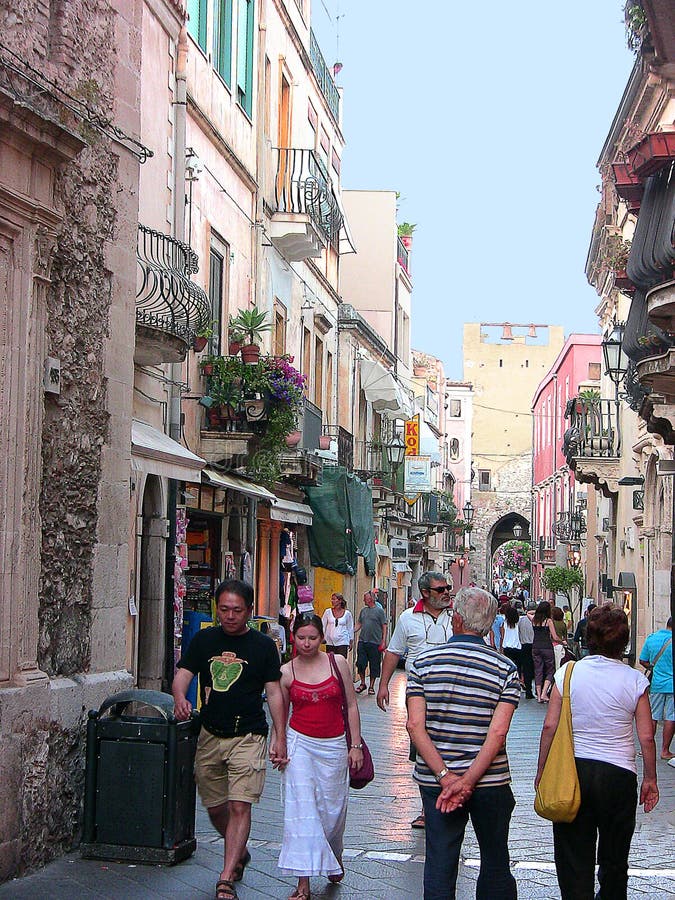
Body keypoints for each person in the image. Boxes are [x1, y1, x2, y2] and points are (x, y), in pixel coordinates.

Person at [172, 580, 288, 900]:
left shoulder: (264, 647)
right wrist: (180, 696)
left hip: (249, 733)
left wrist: (280, 736)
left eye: (237, 610)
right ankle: (239, 851)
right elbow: (184, 672)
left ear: (249, 611)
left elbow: (275, 692)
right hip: (210, 732)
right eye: (224, 609)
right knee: (215, 808)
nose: (230, 616)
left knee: (240, 804)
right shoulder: (205, 639)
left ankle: (226, 876)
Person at [535, 605, 659, 900]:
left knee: (573, 855)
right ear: (624, 642)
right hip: (619, 775)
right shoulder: (635, 681)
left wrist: (542, 771)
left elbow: (550, 727)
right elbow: (646, 736)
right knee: (615, 857)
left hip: (574, 771)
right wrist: (650, 779)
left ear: (589, 637)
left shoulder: (568, 672)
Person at [406, 587, 520, 900]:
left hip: (436, 782)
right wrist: (468, 781)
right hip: (490, 782)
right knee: (496, 862)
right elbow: (497, 735)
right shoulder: (505, 670)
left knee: (440, 862)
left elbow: (415, 726)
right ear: (488, 624)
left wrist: (447, 778)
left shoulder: (422, 663)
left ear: (456, 619)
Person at [273, 613, 363, 900]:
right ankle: (303, 883)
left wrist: (356, 745)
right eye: (301, 638)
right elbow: (281, 714)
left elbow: (351, 705)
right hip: (300, 744)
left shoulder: (339, 664)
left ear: (322, 639)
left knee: (332, 812)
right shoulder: (287, 672)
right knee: (302, 813)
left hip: (335, 745)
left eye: (312, 638)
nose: (307, 643)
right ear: (293, 638)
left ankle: (333, 856)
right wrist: (279, 743)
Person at [377, 571, 454, 830]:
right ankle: (425, 808)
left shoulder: (457, 618)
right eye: (440, 589)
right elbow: (394, 651)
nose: (446, 593)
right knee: (422, 752)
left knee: (449, 750)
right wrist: (383, 685)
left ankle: (449, 800)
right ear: (425, 593)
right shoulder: (407, 619)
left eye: (448, 588)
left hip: (451, 694)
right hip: (419, 695)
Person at [639, 617, 674, 763]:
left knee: (653, 716)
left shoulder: (652, 638)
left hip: (657, 683)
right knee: (671, 717)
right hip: (672, 685)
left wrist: (652, 667)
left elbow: (642, 660)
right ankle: (665, 750)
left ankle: (646, 749)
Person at [354, 590, 387, 695]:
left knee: (374, 665)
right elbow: (359, 623)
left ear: (370, 599)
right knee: (360, 663)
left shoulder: (380, 611)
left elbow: (384, 626)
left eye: (365, 598)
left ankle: (371, 686)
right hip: (363, 641)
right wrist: (350, 631)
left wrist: (383, 641)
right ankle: (363, 683)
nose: (363, 599)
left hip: (375, 642)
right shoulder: (363, 611)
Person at [532, 600, 557, 703]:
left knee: (538, 670)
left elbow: (528, 613)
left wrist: (536, 611)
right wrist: (562, 641)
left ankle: (538, 696)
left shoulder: (534, 620)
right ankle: (544, 693)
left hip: (535, 647)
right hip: (547, 647)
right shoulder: (549, 621)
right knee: (550, 670)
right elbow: (554, 636)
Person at [321, 593, 354, 658]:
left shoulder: (347, 613)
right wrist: (322, 636)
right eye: (332, 599)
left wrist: (351, 640)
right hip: (330, 641)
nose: (332, 601)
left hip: (342, 641)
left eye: (334, 599)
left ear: (340, 601)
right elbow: (323, 625)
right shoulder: (327, 612)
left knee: (341, 660)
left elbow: (350, 627)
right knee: (330, 661)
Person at [518, 602, 535, 699]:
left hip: (524, 646)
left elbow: (519, 632)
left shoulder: (521, 620)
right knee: (537, 668)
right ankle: (538, 690)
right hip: (535, 645)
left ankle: (528, 690)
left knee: (526, 668)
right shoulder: (538, 619)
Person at [501, 605, 522, 676]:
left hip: (507, 647)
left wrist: (501, 648)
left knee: (507, 666)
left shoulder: (504, 624)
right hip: (517, 646)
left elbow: (502, 636)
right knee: (517, 666)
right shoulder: (518, 624)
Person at [551, 605, 568, 670]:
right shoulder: (563, 624)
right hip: (560, 646)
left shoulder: (551, 623)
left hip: (552, 645)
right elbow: (565, 637)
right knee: (558, 666)